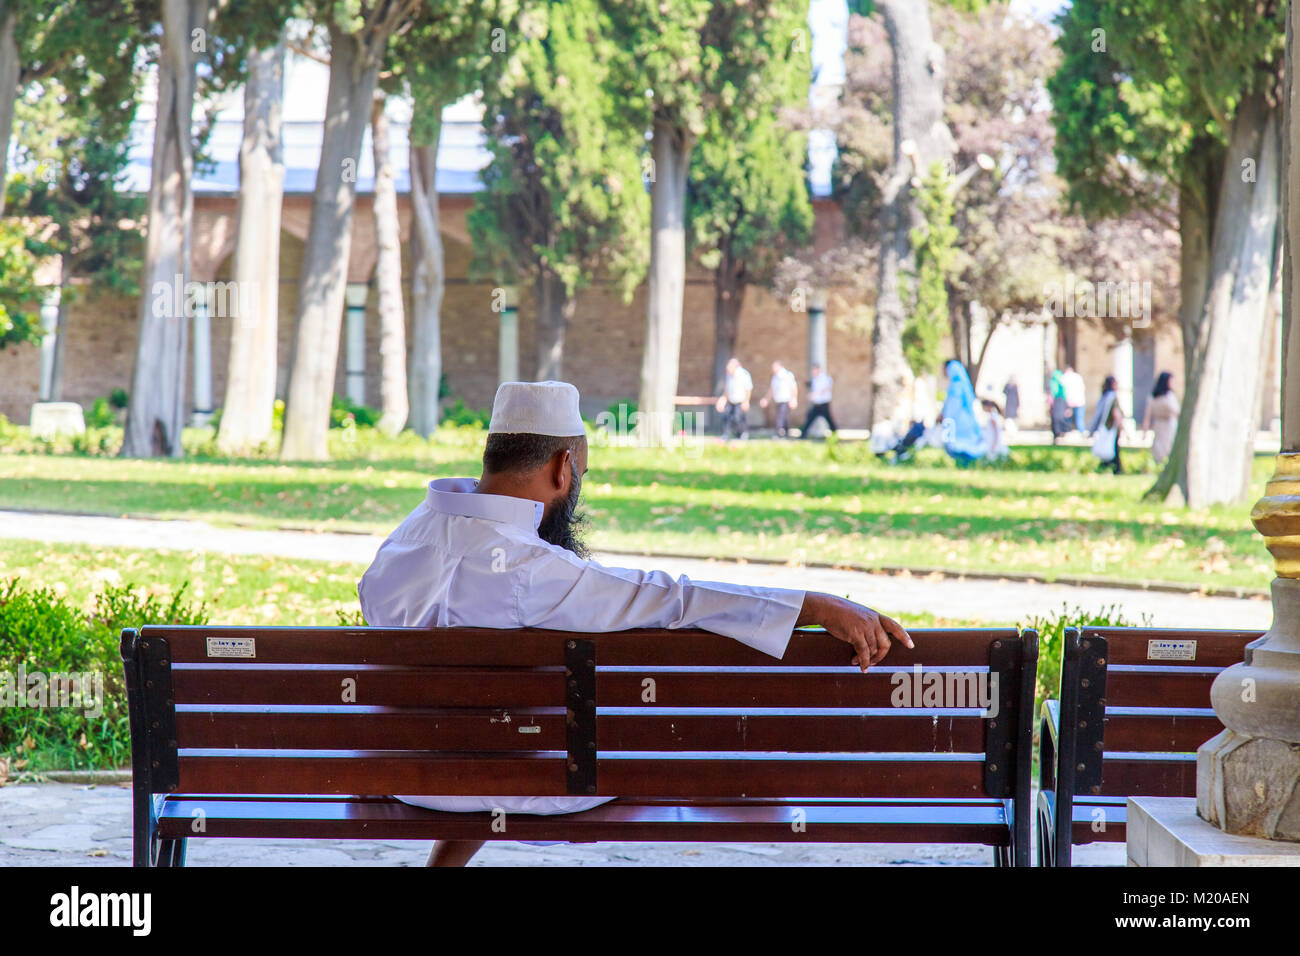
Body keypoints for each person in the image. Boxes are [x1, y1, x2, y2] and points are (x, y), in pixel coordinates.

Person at [358, 380, 913, 867]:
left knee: (492, 721)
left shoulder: (404, 541)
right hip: (524, 779)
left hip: (407, 775)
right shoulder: (534, 571)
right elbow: (673, 599)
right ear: (562, 467)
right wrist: (814, 606)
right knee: (663, 738)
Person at [940, 359, 988, 465]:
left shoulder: (956, 386)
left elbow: (952, 407)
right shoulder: (961, 385)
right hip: (964, 420)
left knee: (958, 444)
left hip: (959, 422)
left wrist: (946, 418)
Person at [1088, 375, 1126, 474]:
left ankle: (1106, 467)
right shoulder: (1112, 397)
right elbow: (1116, 413)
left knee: (1111, 449)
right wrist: (1122, 428)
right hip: (1110, 428)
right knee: (1113, 450)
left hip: (1106, 427)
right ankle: (1116, 470)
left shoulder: (1104, 397)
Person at [1142, 371, 1180, 464]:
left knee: (1167, 445)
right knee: (1161, 446)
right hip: (1162, 425)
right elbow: (1147, 415)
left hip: (1168, 425)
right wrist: (1145, 430)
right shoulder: (1160, 397)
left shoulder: (1168, 396)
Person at [714, 357, 753, 440]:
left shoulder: (744, 374)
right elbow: (727, 389)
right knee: (726, 417)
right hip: (730, 400)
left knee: (737, 418)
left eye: (730, 368)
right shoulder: (729, 375)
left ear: (736, 367)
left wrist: (746, 401)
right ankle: (726, 434)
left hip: (740, 401)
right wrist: (723, 400)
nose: (728, 370)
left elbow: (748, 388)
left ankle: (742, 433)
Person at [759, 360, 799, 437]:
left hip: (786, 400)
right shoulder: (775, 377)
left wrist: (794, 399)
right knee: (785, 418)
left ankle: (778, 433)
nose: (773, 369)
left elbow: (794, 388)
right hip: (778, 400)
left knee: (780, 417)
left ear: (780, 367)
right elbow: (772, 389)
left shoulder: (788, 375)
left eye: (774, 367)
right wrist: (766, 399)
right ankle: (787, 433)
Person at [801, 363, 837, 438]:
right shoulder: (814, 380)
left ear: (817, 370)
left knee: (829, 420)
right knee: (809, 419)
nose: (812, 372)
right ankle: (803, 435)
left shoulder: (825, 378)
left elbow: (827, 388)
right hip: (816, 404)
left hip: (823, 404)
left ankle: (835, 434)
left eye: (814, 370)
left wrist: (814, 394)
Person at [1063, 365, 1087, 433]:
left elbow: (1064, 391)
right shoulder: (1078, 377)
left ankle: (1067, 431)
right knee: (1079, 418)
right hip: (1080, 400)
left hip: (1070, 401)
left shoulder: (1065, 377)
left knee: (1068, 417)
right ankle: (1081, 432)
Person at [1047, 368, 1069, 444]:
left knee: (1057, 419)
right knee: (1058, 419)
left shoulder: (1055, 383)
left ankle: (1058, 435)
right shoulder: (1058, 383)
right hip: (1059, 402)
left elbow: (1051, 395)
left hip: (1058, 403)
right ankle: (1058, 435)